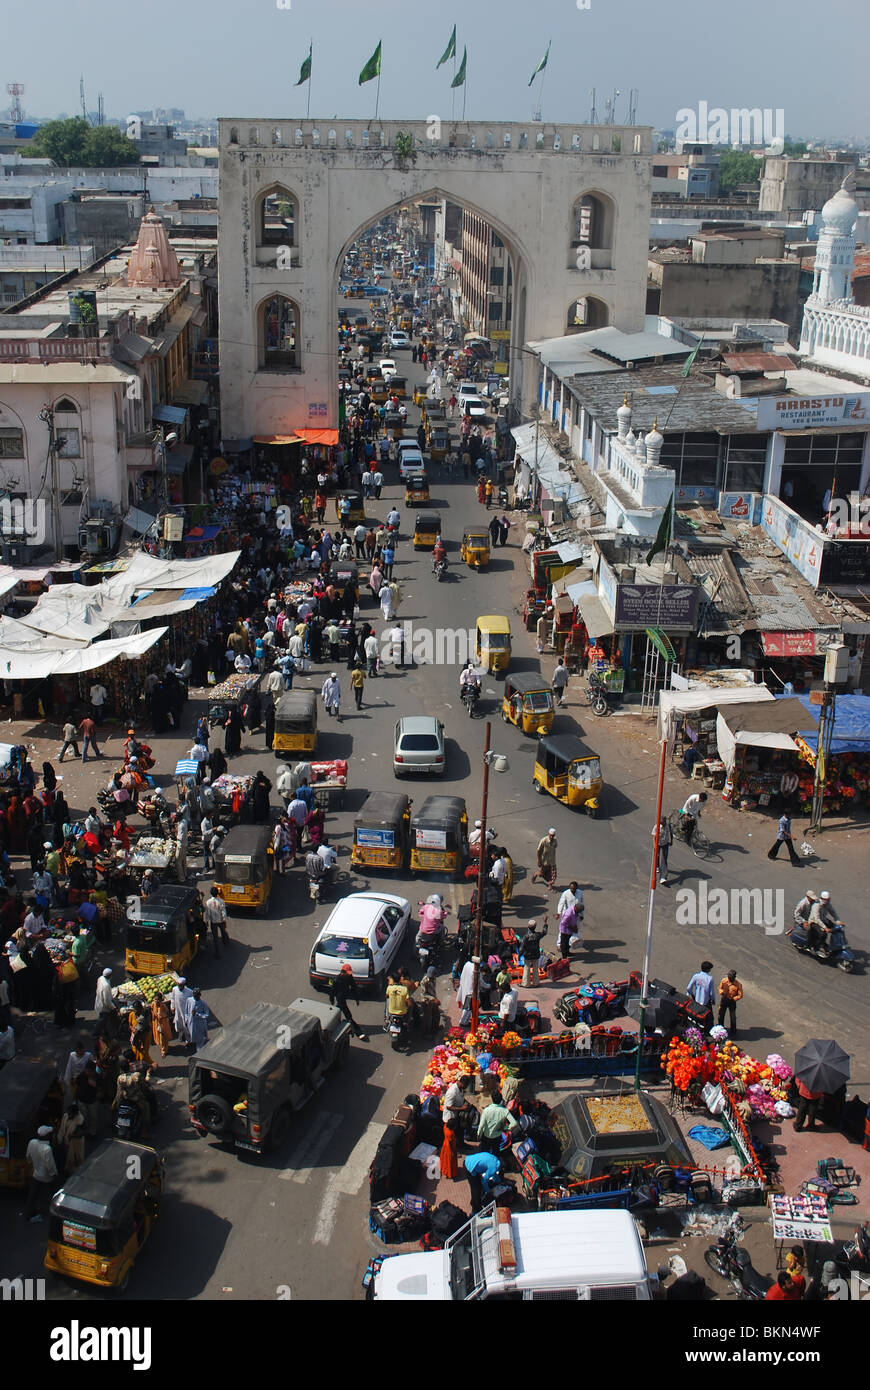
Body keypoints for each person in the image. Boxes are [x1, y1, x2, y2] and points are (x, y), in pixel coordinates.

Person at [22, 1124, 58, 1221]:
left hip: (36, 1174)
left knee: (33, 1195)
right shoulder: (47, 1149)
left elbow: (28, 1158)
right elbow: (50, 1165)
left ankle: (29, 1212)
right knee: (52, 1194)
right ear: (46, 1136)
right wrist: (54, 1175)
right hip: (47, 1177)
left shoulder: (32, 1142)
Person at [328, 962, 367, 1039]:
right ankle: (358, 1031)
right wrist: (331, 999)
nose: (349, 974)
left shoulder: (349, 977)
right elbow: (332, 992)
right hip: (340, 998)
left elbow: (353, 987)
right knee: (348, 1015)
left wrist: (356, 998)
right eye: (347, 973)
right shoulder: (336, 980)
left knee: (336, 1012)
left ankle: (332, 1025)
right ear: (343, 972)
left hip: (345, 995)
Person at [464, 1149, 502, 1213]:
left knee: (478, 1185)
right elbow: (484, 1182)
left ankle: (474, 1201)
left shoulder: (495, 1159)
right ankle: (476, 1209)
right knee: (476, 1189)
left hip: (469, 1160)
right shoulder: (493, 1167)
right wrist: (489, 1192)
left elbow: (494, 1174)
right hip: (470, 1167)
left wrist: (498, 1181)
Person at [57, 1104, 86, 1174]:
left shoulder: (80, 1119)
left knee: (76, 1157)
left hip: (76, 1142)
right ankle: (68, 1168)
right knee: (67, 1155)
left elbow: (80, 1133)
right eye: (68, 1113)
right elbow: (62, 1127)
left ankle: (75, 1172)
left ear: (75, 1114)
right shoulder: (66, 1115)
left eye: (70, 1114)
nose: (68, 1115)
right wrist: (60, 1137)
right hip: (67, 1140)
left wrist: (71, 1136)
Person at [204, 886, 229, 958]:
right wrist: (224, 920)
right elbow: (223, 912)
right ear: (217, 893)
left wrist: (206, 921)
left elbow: (207, 913)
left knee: (215, 938)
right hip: (220, 921)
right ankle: (225, 941)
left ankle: (218, 953)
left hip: (213, 922)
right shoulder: (221, 901)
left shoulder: (208, 902)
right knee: (223, 931)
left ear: (211, 893)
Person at [169, 978, 194, 1047]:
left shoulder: (189, 992)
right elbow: (173, 998)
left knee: (186, 1026)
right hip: (178, 1011)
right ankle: (181, 1035)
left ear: (184, 985)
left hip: (186, 1013)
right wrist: (172, 1007)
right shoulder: (175, 989)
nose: (179, 986)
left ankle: (188, 1040)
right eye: (178, 984)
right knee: (178, 1024)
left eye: (181, 985)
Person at [519, 918, 544, 988]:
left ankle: (526, 983)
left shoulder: (526, 936)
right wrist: (545, 923)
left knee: (526, 969)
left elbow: (522, 948)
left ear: (528, 927)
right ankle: (536, 983)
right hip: (536, 954)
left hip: (528, 955)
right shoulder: (537, 935)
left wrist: (519, 955)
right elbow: (544, 932)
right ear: (535, 927)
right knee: (535, 969)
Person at [717, 970, 743, 1035]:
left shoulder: (738, 984)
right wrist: (721, 992)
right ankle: (720, 1027)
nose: (729, 978)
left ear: (734, 977)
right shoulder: (724, 981)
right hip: (724, 999)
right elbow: (720, 988)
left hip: (732, 1001)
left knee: (733, 1016)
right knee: (721, 1014)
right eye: (729, 977)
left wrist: (734, 998)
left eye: (731, 977)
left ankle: (733, 1030)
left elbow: (740, 995)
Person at [151, 991, 173, 1058]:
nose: (156, 1001)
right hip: (156, 1023)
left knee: (163, 1037)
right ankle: (164, 1047)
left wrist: (162, 1015)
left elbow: (167, 1013)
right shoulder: (153, 1004)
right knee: (160, 1037)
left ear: (160, 1000)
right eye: (155, 999)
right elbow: (152, 1011)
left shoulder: (163, 1006)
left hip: (163, 1024)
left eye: (158, 999)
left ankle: (163, 1051)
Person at [654, 816, 673, 886]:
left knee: (664, 859)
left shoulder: (668, 826)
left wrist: (671, 841)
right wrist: (655, 846)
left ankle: (663, 877)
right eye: (661, 823)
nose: (662, 824)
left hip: (665, 844)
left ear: (665, 821)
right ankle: (657, 866)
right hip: (658, 844)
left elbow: (671, 833)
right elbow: (654, 837)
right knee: (657, 856)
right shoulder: (657, 827)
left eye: (663, 822)